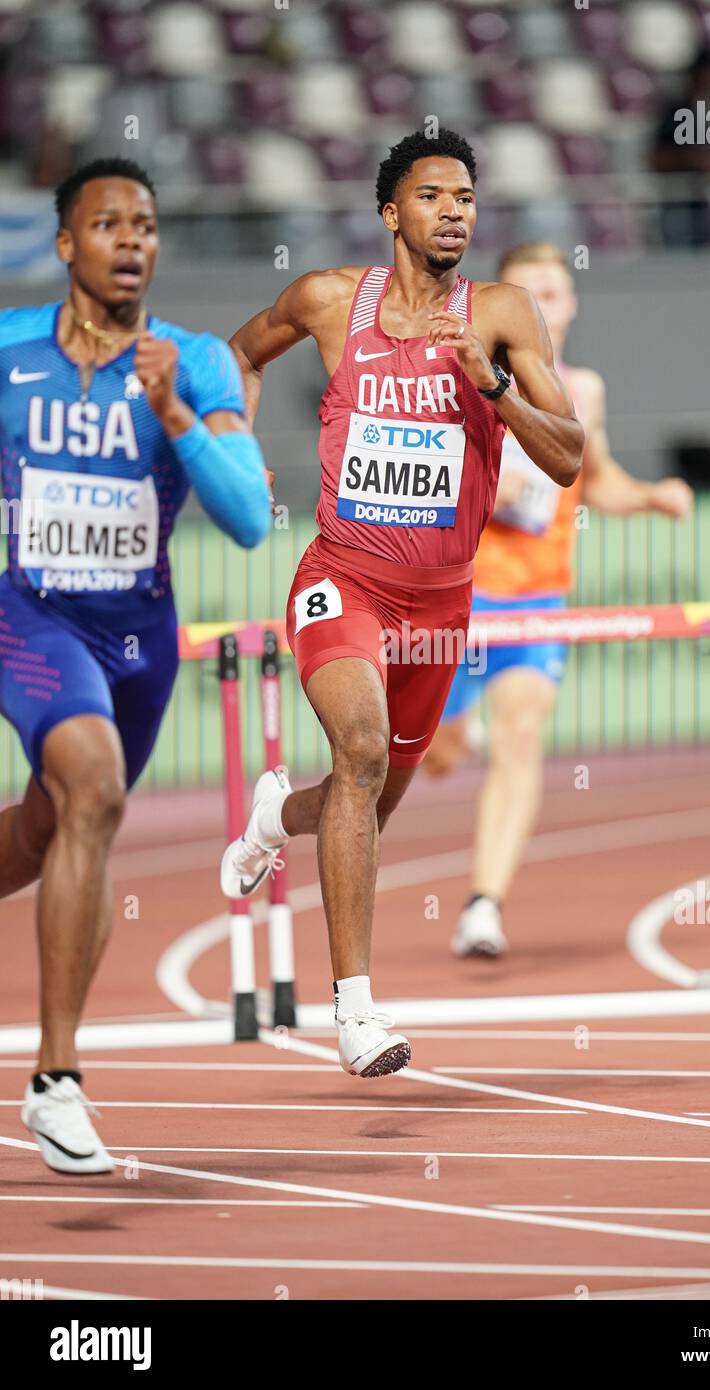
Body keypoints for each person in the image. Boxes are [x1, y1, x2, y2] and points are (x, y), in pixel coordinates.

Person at [221, 130, 584, 1077]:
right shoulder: (332, 300)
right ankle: (354, 1014)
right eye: (432, 197)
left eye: (465, 196)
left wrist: (493, 385)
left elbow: (567, 456)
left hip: (442, 607)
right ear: (392, 213)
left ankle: (271, 822)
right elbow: (237, 359)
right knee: (361, 750)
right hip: (343, 578)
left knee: (367, 803)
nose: (454, 210)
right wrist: (237, 451)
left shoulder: (502, 314)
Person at [0, 157, 272, 1174]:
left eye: (146, 225)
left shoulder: (193, 362)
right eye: (108, 224)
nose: (131, 241)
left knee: (44, 831)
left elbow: (247, 520)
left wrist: (172, 415)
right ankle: (55, 1083)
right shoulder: (9, 352)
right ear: (66, 244)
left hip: (140, 644)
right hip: (30, 616)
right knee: (98, 789)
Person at [423, 241, 694, 957]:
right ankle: (456, 730)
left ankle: (483, 906)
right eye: (527, 292)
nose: (544, 305)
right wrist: (474, 488)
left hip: (536, 600)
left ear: (572, 306)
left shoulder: (586, 389)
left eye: (555, 291)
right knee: (437, 756)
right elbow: (406, 487)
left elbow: (593, 479)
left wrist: (649, 498)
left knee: (520, 740)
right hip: (453, 601)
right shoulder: (455, 375)